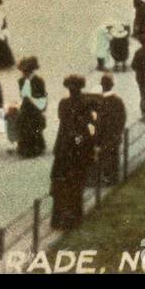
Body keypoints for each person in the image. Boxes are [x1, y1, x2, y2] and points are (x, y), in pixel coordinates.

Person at [50, 75, 96, 230]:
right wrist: (79, 140)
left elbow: (65, 122)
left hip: (63, 148)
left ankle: (57, 219)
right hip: (77, 148)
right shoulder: (85, 104)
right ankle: (74, 218)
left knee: (60, 183)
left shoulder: (64, 104)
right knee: (76, 184)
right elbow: (86, 125)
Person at [97, 75, 127, 185]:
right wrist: (119, 130)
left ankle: (106, 176)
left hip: (104, 134)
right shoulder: (118, 100)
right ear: (112, 85)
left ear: (102, 85)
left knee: (104, 155)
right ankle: (114, 177)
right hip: (114, 133)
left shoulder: (100, 100)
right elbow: (123, 117)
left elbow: (99, 119)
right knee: (114, 155)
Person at [15, 57, 48, 158]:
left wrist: (41, 106)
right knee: (24, 127)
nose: (24, 73)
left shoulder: (38, 81)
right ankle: (25, 149)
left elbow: (42, 95)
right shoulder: (21, 81)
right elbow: (22, 95)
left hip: (35, 107)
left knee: (34, 127)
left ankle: (35, 148)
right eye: (23, 71)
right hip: (26, 107)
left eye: (26, 71)